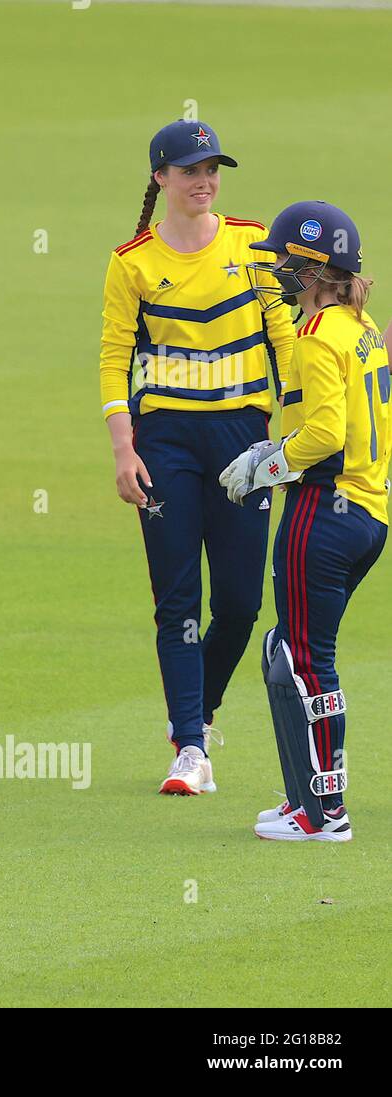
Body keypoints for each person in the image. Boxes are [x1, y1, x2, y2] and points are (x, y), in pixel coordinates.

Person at [98, 119, 295, 796]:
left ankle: (199, 710)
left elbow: (285, 341)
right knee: (178, 597)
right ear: (161, 178)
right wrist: (123, 448)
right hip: (165, 444)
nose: (204, 181)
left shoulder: (254, 243)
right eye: (189, 171)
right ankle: (189, 745)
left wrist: (300, 428)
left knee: (240, 601)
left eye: (211, 169)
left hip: (245, 436)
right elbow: (114, 358)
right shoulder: (133, 262)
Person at [220, 201, 388, 841]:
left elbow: (322, 431)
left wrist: (270, 466)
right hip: (367, 512)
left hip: (322, 510)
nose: (280, 271)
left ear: (318, 268)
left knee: (305, 661)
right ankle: (305, 801)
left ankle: (325, 813)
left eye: (289, 261)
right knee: (291, 652)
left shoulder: (319, 336)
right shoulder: (360, 327)